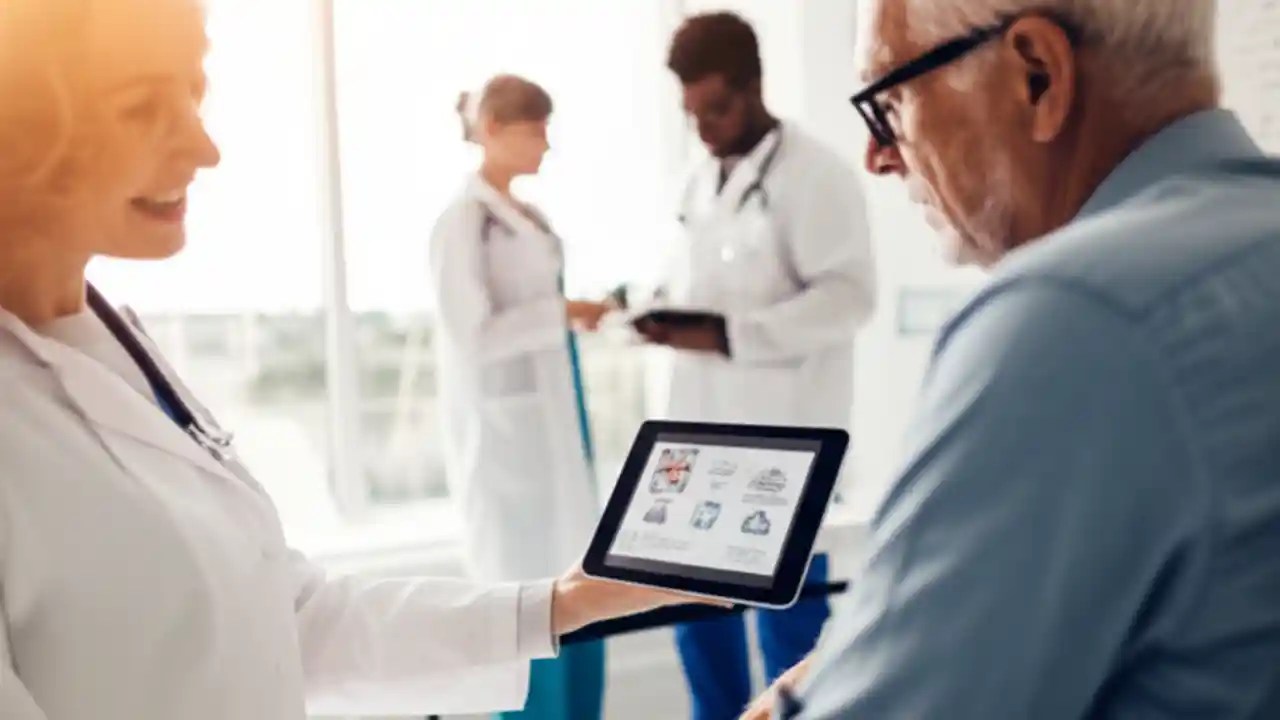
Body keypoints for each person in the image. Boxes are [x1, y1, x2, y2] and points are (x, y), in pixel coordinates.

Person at [0, 2, 709, 718]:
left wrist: (561, 603)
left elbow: (281, 619)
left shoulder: (112, 346)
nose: (203, 146)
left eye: (193, 91)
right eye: (138, 106)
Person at [741, 0, 1280, 718]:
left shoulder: (1073, 318)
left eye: (890, 100)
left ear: (1036, 74)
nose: (878, 157)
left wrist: (797, 694)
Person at [631, 12, 877, 720]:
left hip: (784, 447)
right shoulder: (694, 181)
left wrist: (732, 334)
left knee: (792, 643)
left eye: (717, 107)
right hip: (700, 444)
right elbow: (695, 286)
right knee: (700, 628)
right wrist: (662, 317)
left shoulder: (816, 175)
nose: (704, 126)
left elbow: (849, 298)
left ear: (756, 85)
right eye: (692, 113)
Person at [428, 75, 611, 720]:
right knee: (527, 612)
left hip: (556, 424)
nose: (545, 144)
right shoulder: (462, 224)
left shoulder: (527, 217)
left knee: (581, 598)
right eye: (535, 129)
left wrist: (569, 316)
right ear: (492, 131)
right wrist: (557, 311)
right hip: (506, 450)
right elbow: (470, 335)